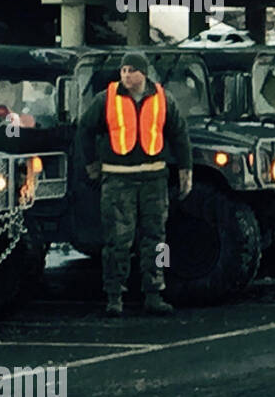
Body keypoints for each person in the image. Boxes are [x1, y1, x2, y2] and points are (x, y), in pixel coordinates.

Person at [77, 51, 193, 316]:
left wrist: (186, 171)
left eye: (132, 70)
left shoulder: (163, 99)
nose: (127, 75)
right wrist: (92, 166)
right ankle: (114, 296)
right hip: (118, 180)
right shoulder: (106, 99)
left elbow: (179, 134)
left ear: (144, 73)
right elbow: (84, 129)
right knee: (118, 240)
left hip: (154, 180)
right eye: (123, 70)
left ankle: (154, 293)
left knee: (155, 239)